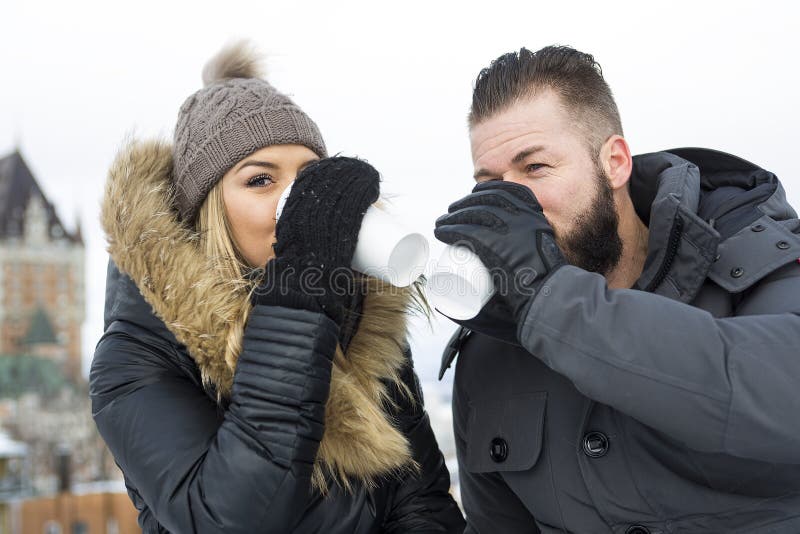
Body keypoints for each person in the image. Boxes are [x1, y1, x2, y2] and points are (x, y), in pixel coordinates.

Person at [89, 41, 464, 533]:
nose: (296, 203)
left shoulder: (360, 327)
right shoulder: (137, 356)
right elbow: (229, 519)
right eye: (261, 179)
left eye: (311, 180)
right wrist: (299, 302)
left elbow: (423, 503)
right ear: (208, 212)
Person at [434, 45, 800, 533]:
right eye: (490, 183)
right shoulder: (489, 351)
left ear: (615, 162)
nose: (511, 203)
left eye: (535, 168)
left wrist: (550, 299)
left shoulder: (759, 257)